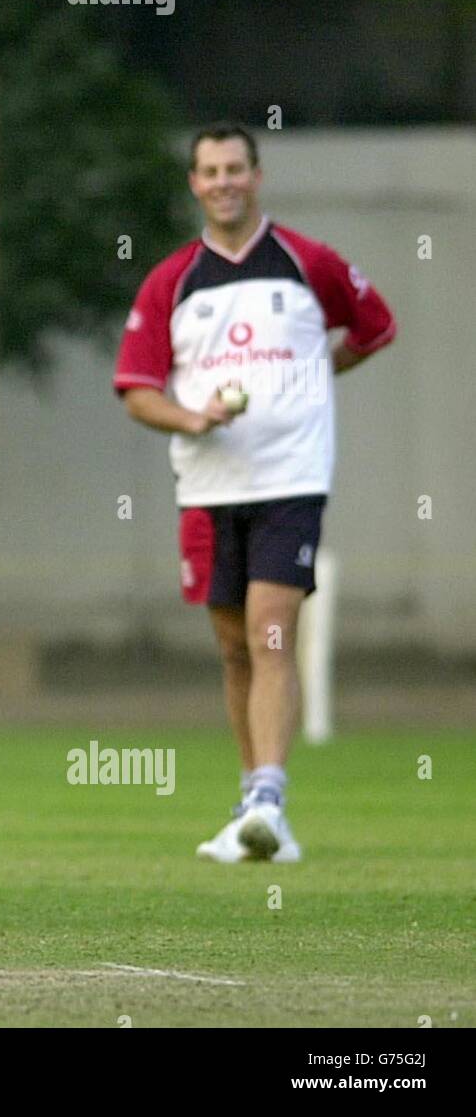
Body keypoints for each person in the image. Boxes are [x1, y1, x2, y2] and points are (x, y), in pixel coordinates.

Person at [113, 124, 396, 862]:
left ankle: (272, 795)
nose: (223, 181)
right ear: (195, 184)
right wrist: (193, 416)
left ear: (257, 175)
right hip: (206, 487)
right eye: (209, 171)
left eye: (235, 167)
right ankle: (250, 803)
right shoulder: (171, 280)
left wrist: (312, 381)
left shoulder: (311, 262)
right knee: (235, 647)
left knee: (273, 629)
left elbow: (374, 327)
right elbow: (138, 390)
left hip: (290, 479)